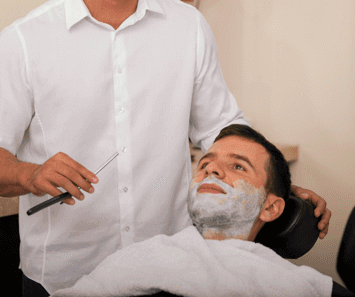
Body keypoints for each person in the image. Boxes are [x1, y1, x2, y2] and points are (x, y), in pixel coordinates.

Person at [0, 0, 330, 293]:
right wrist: (30, 174)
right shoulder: (23, 41)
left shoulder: (188, 28)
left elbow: (223, 131)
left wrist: (279, 187)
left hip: (169, 273)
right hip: (63, 279)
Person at [57, 125, 332, 297]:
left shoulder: (289, 282)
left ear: (271, 207)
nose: (211, 169)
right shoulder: (141, 258)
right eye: (205, 164)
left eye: (238, 167)